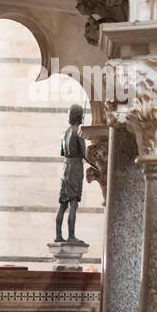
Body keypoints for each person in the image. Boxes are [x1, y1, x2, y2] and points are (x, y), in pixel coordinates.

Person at [55, 104, 88, 247]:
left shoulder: (65, 132)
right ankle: (71, 236)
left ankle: (58, 235)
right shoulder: (78, 132)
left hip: (65, 168)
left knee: (63, 204)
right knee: (73, 203)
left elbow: (62, 152)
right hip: (75, 167)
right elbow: (84, 154)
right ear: (79, 116)